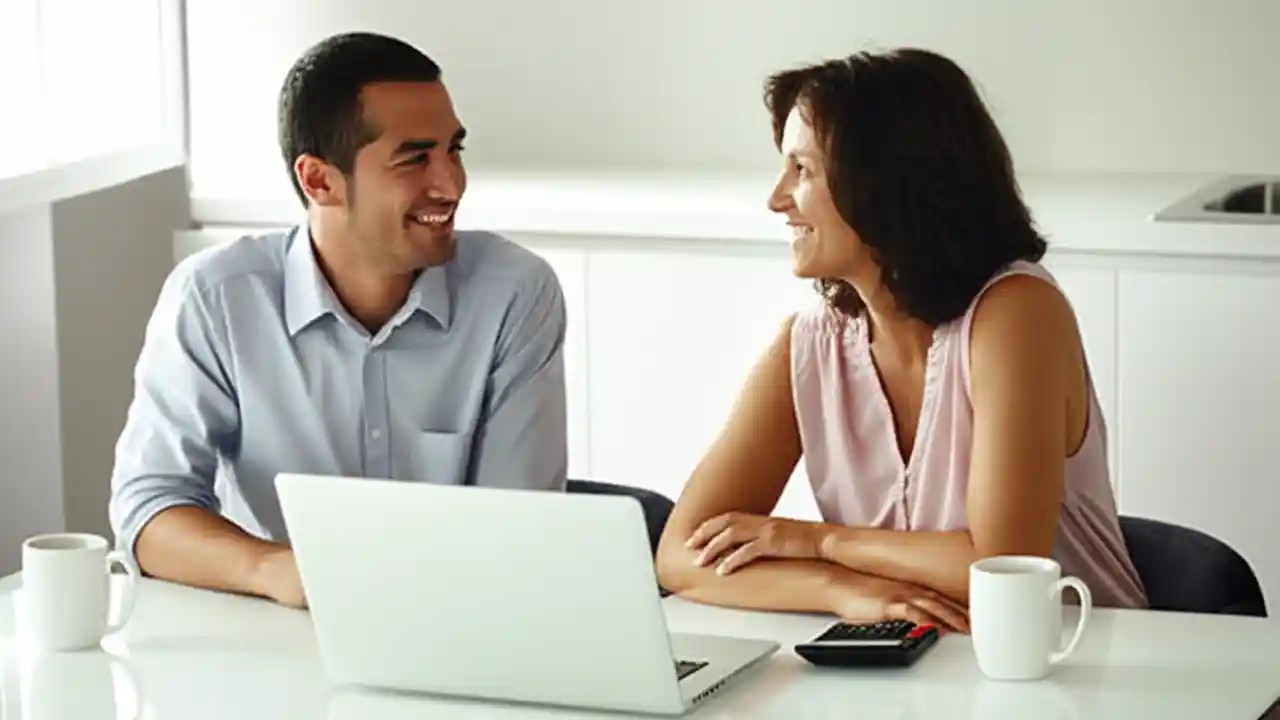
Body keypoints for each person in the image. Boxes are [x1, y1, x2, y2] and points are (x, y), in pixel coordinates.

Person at [655, 48, 1147, 632]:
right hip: (931, 668)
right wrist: (839, 592)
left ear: (884, 184)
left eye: (803, 170)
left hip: (1084, 663)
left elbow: (999, 568)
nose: (777, 198)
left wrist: (818, 542)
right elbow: (680, 555)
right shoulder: (809, 347)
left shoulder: (1015, 314)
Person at [109, 32, 568, 608]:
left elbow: (521, 531)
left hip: (456, 624)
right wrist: (278, 572)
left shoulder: (516, 295)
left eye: (455, 150)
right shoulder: (216, 299)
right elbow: (148, 509)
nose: (451, 184)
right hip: (268, 638)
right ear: (320, 181)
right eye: (415, 157)